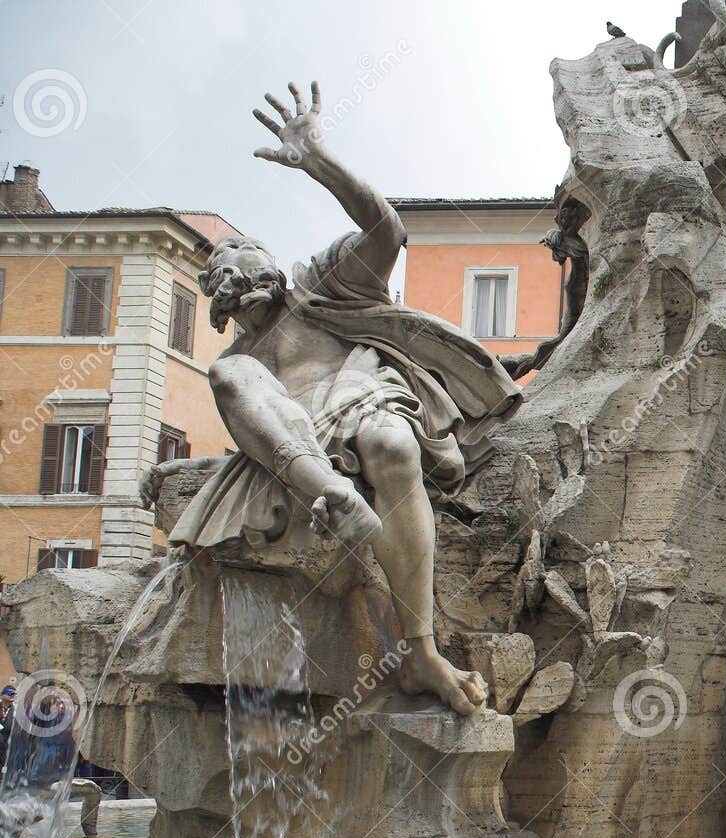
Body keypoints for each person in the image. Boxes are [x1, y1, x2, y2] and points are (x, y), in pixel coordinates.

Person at [139, 82, 537, 714]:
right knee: (231, 377)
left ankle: (418, 650)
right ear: (218, 299)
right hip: (297, 454)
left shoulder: (321, 288)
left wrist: (319, 161)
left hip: (360, 402)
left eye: (243, 256)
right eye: (222, 271)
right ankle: (332, 492)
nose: (235, 268)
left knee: (389, 441)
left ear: (270, 264)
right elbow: (242, 420)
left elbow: (386, 230)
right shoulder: (237, 367)